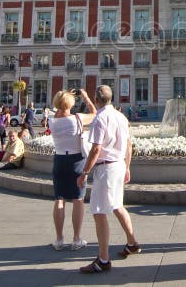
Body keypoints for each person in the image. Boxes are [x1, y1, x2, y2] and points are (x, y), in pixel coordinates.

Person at [77, 85, 140, 274]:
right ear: (111, 98)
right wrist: (127, 167)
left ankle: (103, 260)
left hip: (106, 168)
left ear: (96, 100)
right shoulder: (121, 117)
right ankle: (132, 243)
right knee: (117, 205)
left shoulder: (100, 118)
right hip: (119, 165)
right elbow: (129, 145)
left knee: (99, 212)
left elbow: (96, 149)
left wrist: (85, 172)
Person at [49, 88, 97, 251]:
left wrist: (64, 95)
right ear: (71, 103)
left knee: (59, 199)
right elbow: (95, 114)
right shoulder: (77, 118)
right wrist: (86, 97)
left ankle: (59, 239)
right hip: (77, 160)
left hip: (59, 159)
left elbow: (59, 108)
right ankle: (76, 239)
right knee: (78, 200)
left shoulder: (51, 120)